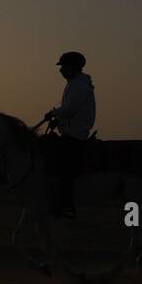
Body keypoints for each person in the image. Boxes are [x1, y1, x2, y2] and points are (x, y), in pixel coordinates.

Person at [43, 51, 95, 217]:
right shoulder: (74, 84)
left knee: (62, 167)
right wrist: (57, 119)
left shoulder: (79, 85)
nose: (61, 71)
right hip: (70, 130)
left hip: (75, 134)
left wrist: (53, 114)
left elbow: (70, 109)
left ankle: (66, 206)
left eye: (63, 67)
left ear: (73, 67)